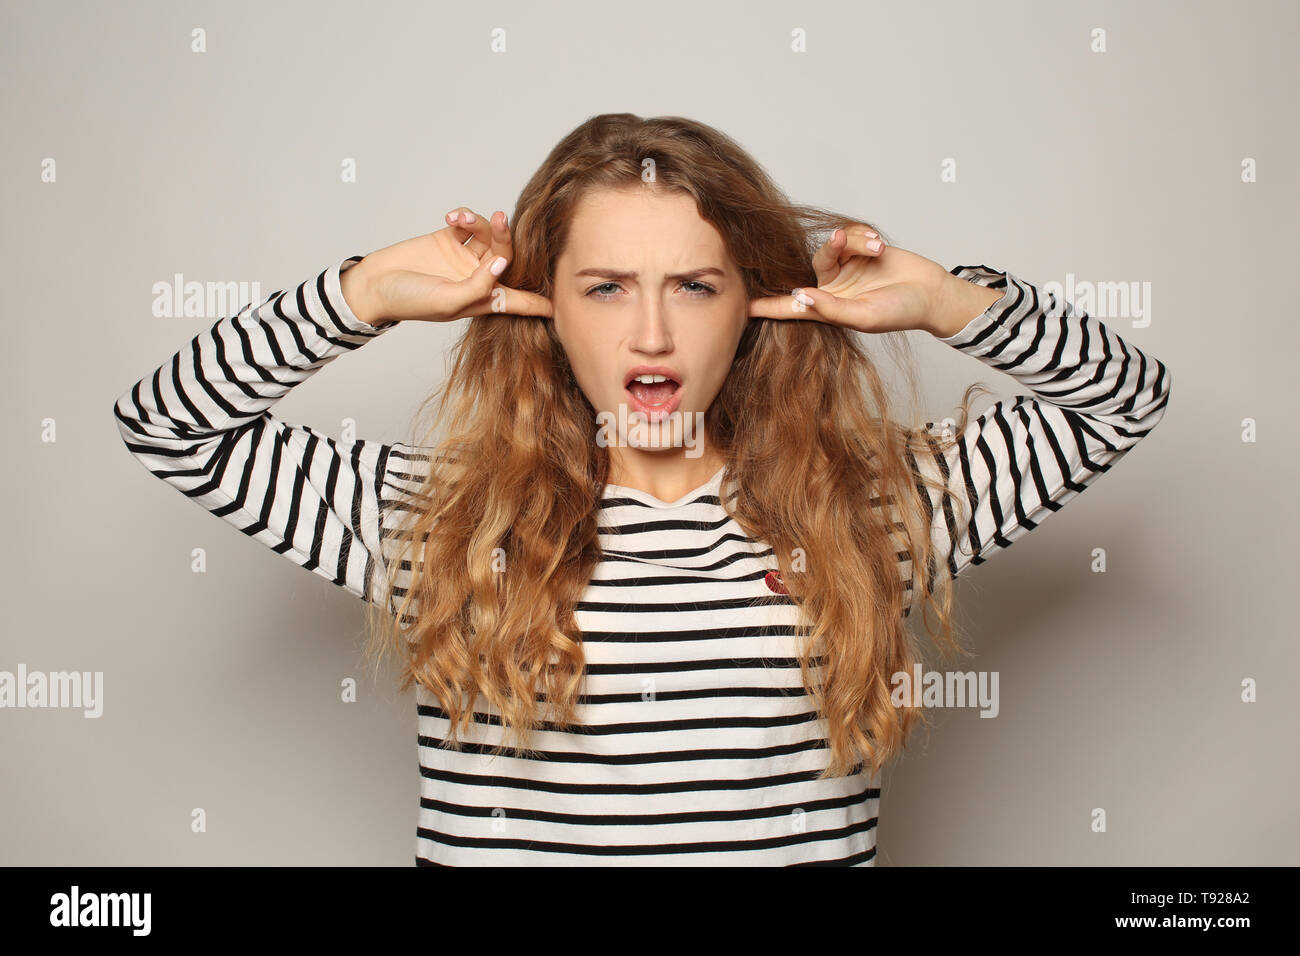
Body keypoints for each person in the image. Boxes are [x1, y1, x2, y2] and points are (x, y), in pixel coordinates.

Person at [113, 112, 1172, 865]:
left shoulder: (868, 512)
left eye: (696, 286)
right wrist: (364, 293)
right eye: (607, 287)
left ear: (757, 306)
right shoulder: (438, 521)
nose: (652, 332)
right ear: (543, 308)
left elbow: (1123, 400)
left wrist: (950, 303)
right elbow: (165, 419)